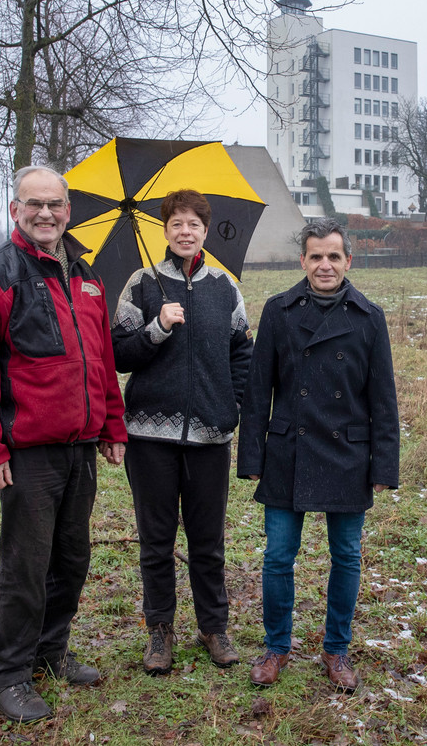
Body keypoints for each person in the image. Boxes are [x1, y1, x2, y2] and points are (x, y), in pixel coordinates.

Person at [0, 165, 128, 724]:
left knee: (71, 560)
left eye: (55, 204)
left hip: (81, 447)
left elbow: (100, 359)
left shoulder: (86, 275)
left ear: (68, 210)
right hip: (28, 453)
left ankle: (51, 652)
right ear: (16, 210)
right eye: (34, 204)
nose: (45, 213)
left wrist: (112, 426)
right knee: (26, 567)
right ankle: (9, 675)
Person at [237, 217, 399, 693]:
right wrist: (252, 458)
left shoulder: (369, 317)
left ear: (348, 261)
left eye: (333, 256)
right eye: (316, 256)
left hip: (348, 452)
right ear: (302, 261)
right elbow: (257, 391)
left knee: (346, 556)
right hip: (290, 450)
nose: (324, 265)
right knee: (277, 556)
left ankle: (336, 649)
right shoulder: (279, 311)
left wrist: (384, 465)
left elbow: (383, 399)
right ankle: (276, 647)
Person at [112, 189, 253, 674]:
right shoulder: (142, 284)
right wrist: (156, 327)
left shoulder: (225, 287)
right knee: (155, 542)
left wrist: (232, 406)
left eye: (194, 224)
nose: (185, 232)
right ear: (165, 230)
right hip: (149, 437)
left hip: (210, 437)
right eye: (177, 223)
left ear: (205, 231)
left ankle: (213, 627)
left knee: (207, 542)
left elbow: (243, 354)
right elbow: (119, 354)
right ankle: (160, 631)